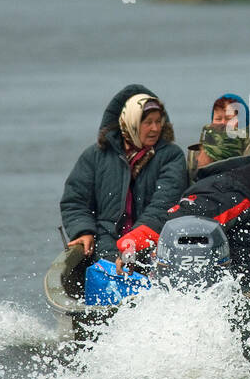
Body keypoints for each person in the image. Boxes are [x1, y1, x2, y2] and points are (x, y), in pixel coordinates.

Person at [59, 84, 187, 261]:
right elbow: (75, 201)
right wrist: (83, 231)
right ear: (131, 122)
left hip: (152, 244)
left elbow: (164, 203)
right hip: (105, 244)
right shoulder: (95, 156)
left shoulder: (171, 156)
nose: (155, 128)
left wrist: (134, 242)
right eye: (148, 122)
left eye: (158, 121)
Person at [169, 135, 250, 298]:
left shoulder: (218, 189)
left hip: (244, 295)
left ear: (215, 153)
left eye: (201, 151)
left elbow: (175, 224)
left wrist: (131, 246)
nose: (197, 157)